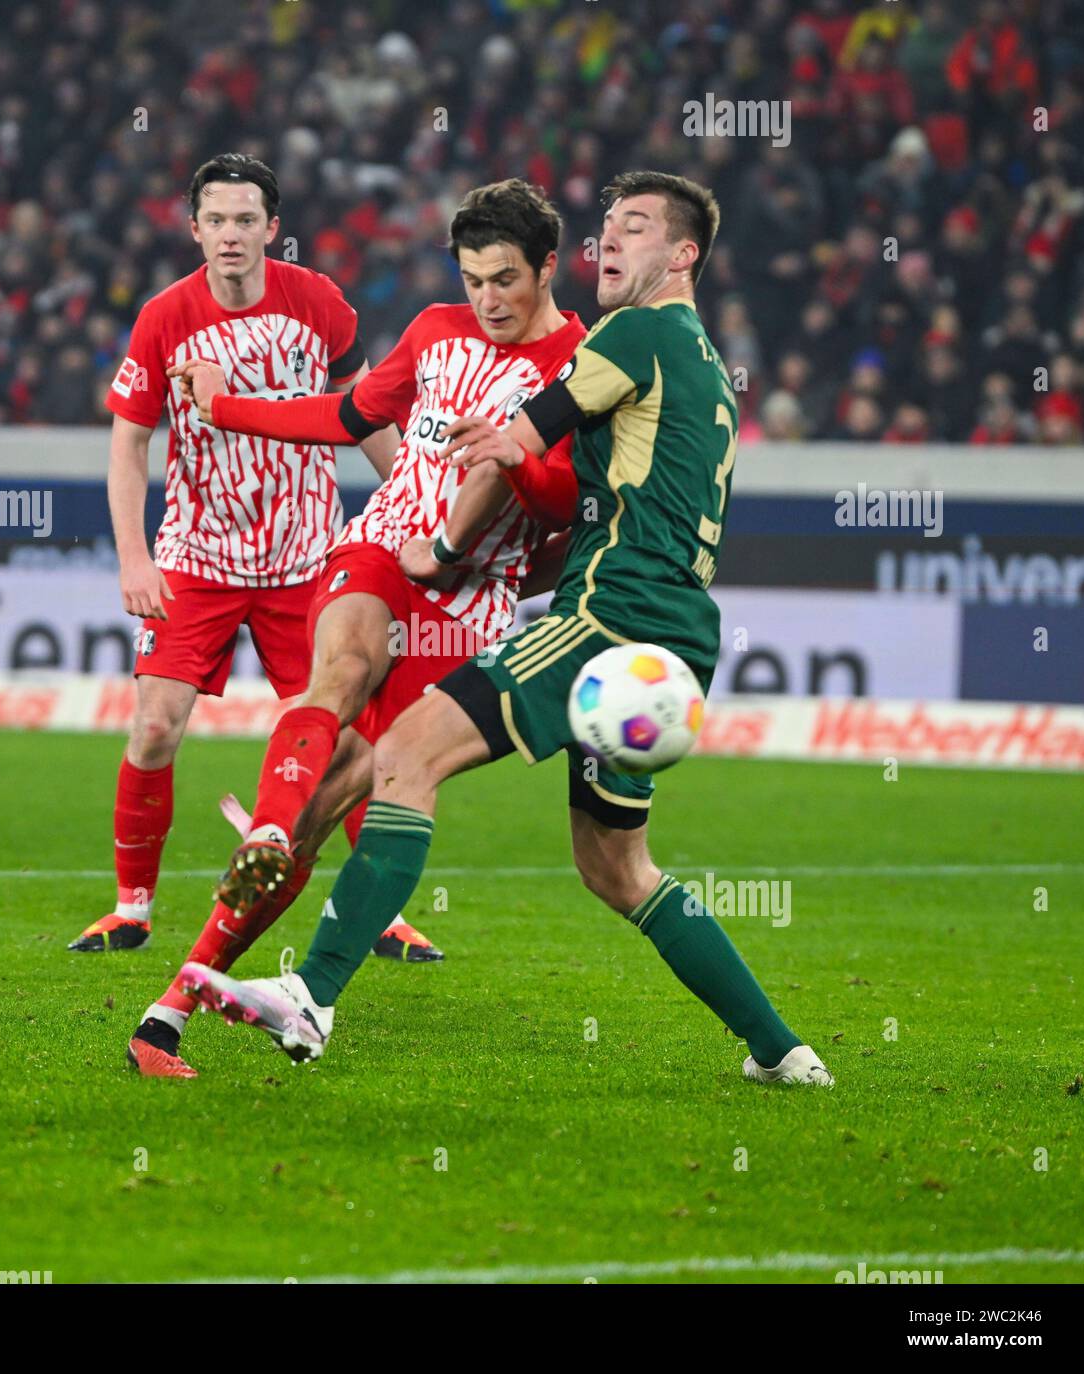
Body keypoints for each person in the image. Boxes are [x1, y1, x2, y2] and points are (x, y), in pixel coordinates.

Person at [176, 171, 834, 1089]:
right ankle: (783, 1051)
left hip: (610, 622)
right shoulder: (709, 372)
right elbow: (601, 497)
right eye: (609, 224)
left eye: (636, 228)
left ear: (683, 256)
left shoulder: (632, 332)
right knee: (617, 866)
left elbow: (514, 441)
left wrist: (440, 548)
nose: (614, 240)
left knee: (404, 753)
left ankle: (313, 996)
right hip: (677, 647)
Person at [126, 179, 585, 1078]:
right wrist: (226, 409)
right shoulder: (432, 330)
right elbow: (347, 417)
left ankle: (168, 1012)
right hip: (381, 543)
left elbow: (569, 499)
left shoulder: (582, 364)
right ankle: (263, 828)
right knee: (337, 672)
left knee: (346, 791)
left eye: (504, 280)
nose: (487, 299)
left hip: (469, 600)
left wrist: (512, 459)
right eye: (472, 279)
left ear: (546, 268)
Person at [69, 153, 398, 954]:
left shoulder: (319, 304)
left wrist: (407, 511)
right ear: (194, 230)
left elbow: (367, 415)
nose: (231, 235)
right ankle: (133, 910)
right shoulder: (163, 317)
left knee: (345, 739)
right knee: (153, 729)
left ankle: (380, 914)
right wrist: (133, 557)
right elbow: (128, 445)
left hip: (307, 557)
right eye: (215, 220)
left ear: (272, 230)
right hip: (197, 558)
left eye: (246, 219)